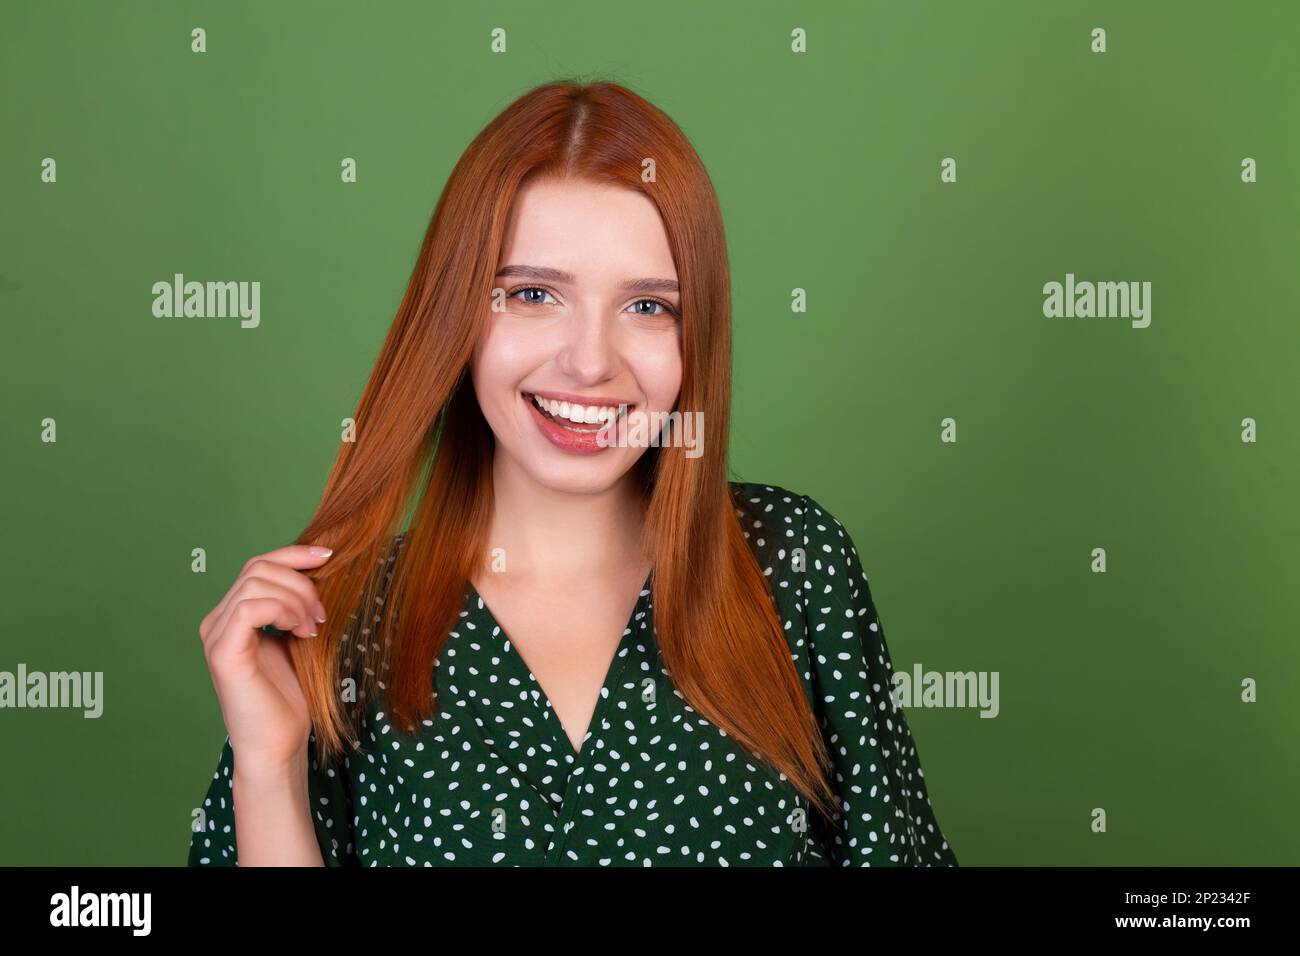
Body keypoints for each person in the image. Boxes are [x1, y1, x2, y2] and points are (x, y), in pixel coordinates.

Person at [188, 79, 957, 867]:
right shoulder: (341, 625)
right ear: (456, 316)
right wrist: (271, 768)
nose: (590, 363)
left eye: (649, 306)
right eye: (532, 294)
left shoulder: (794, 565)